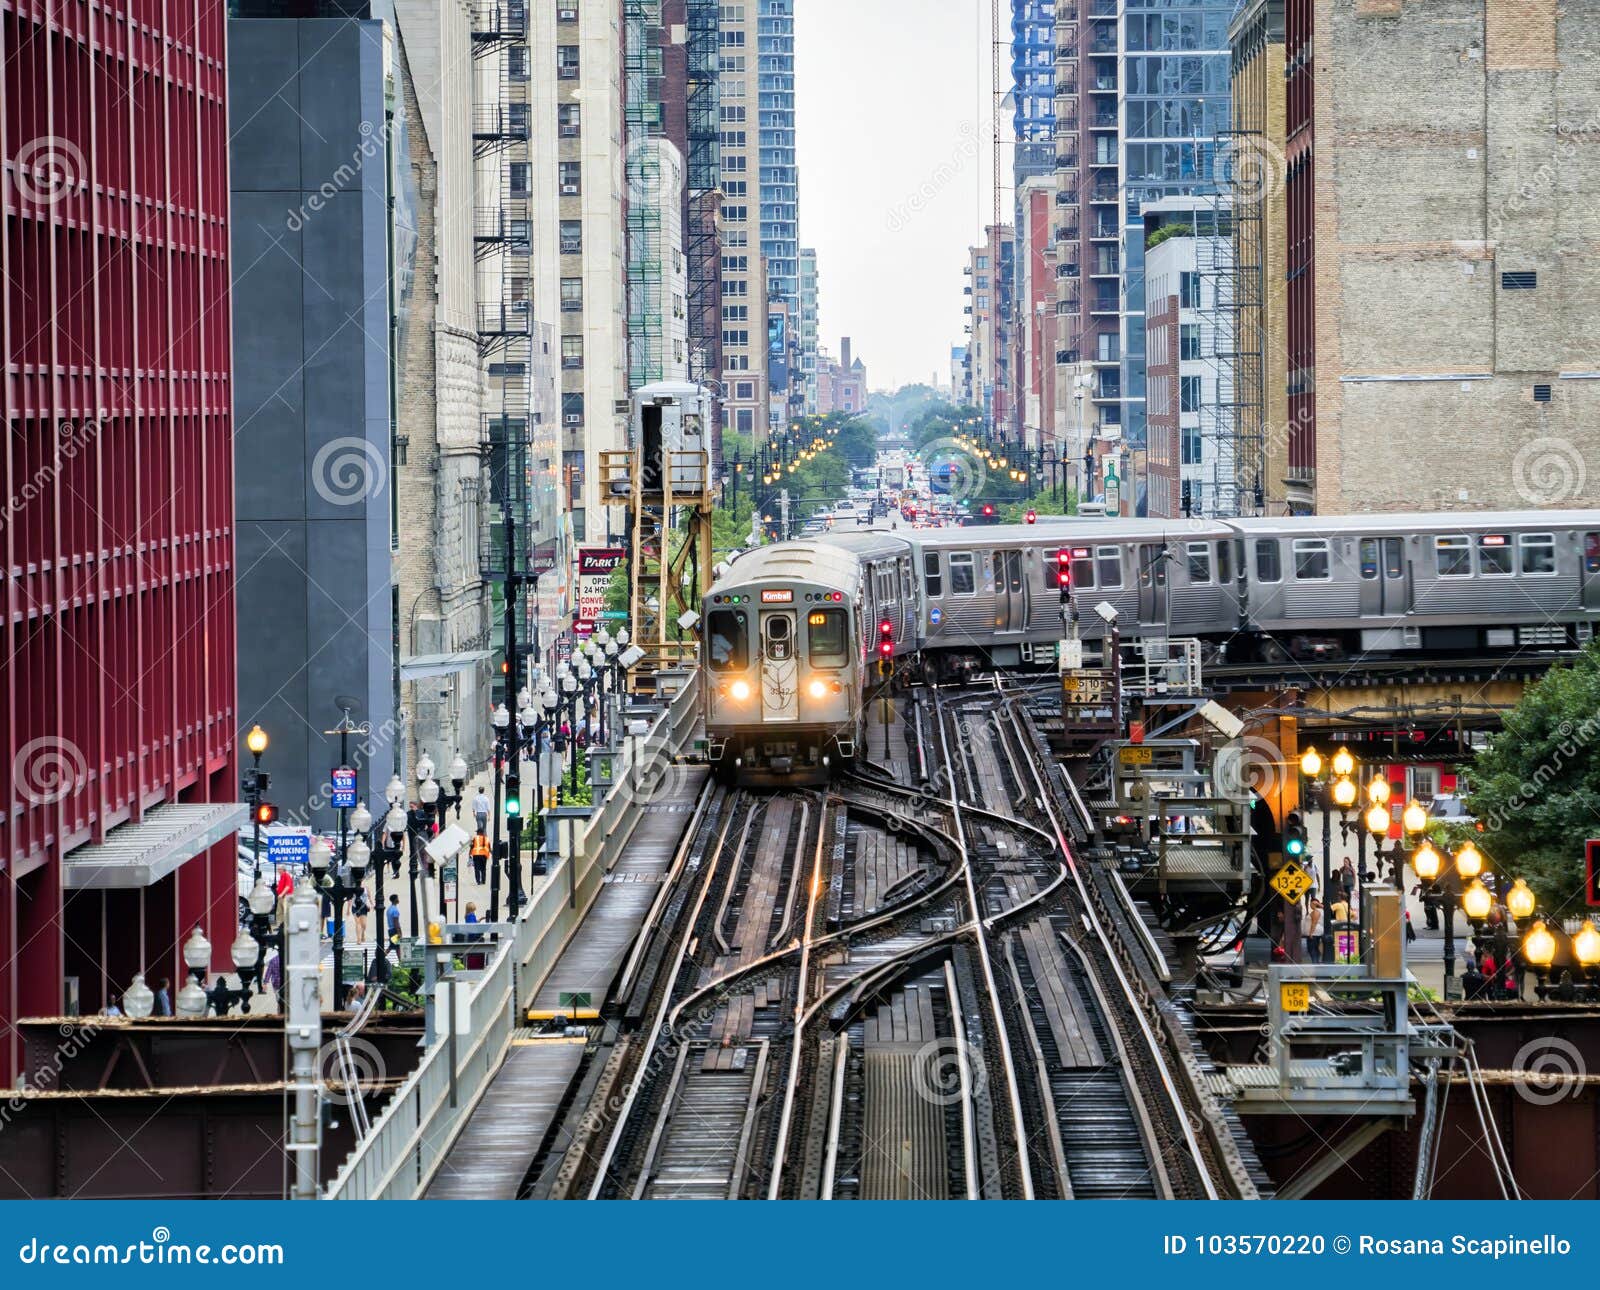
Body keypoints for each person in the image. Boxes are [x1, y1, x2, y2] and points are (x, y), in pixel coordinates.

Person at [385, 893, 403, 960]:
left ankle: (400, 961)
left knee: (396, 946)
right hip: (394, 930)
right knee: (395, 946)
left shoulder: (389, 909)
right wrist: (399, 932)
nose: (398, 899)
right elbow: (396, 922)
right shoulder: (395, 910)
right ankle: (380, 959)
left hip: (390, 930)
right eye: (397, 898)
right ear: (395, 900)